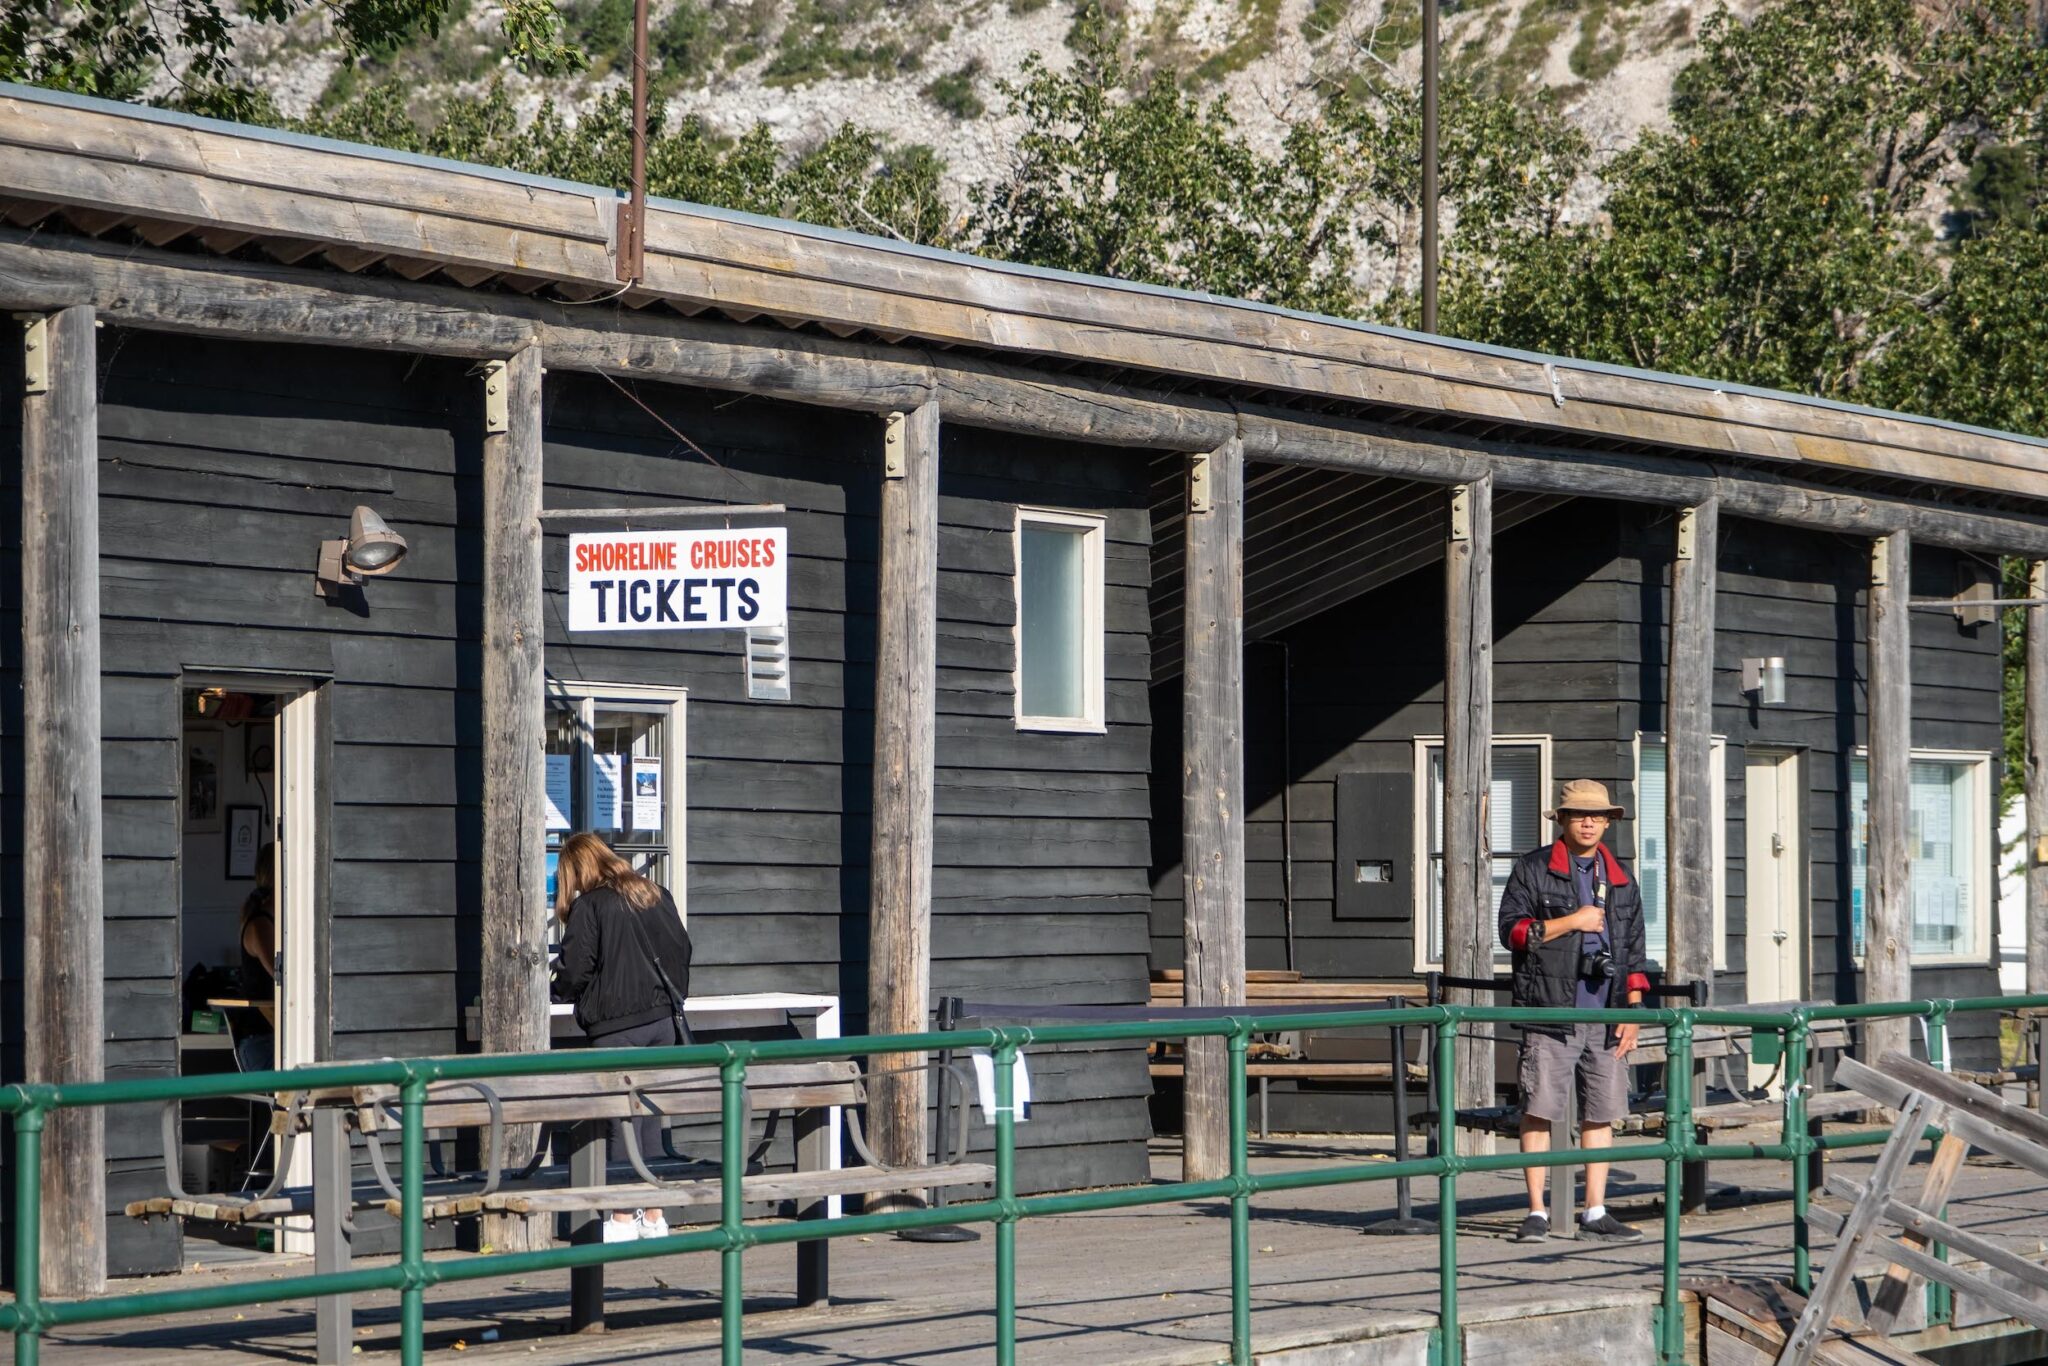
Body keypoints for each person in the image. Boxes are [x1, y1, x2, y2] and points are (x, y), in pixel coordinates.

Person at [1497, 779, 1651, 1245]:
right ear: (1561, 820)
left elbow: (1635, 952)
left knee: (1601, 1114)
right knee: (1539, 1110)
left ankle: (1596, 1210)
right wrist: (1573, 921)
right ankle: (1537, 1212)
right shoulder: (1533, 868)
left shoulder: (1622, 878)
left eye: (1597, 815)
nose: (1588, 821)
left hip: (1606, 1014)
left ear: (1608, 822)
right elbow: (1512, 932)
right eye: (1579, 814)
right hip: (1549, 1009)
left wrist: (1634, 1012)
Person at [551, 831, 694, 1244]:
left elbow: (576, 968)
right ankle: (653, 1215)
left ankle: (620, 1218)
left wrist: (558, 991)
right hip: (662, 1022)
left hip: (616, 1027)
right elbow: (682, 950)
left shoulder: (590, 905)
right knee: (649, 1118)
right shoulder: (656, 894)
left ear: (578, 870)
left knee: (619, 1122)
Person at [233, 844, 278, 1076]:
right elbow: (283, 975)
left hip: (273, 1038)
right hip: (261, 1043)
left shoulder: (272, 921)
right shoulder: (261, 924)